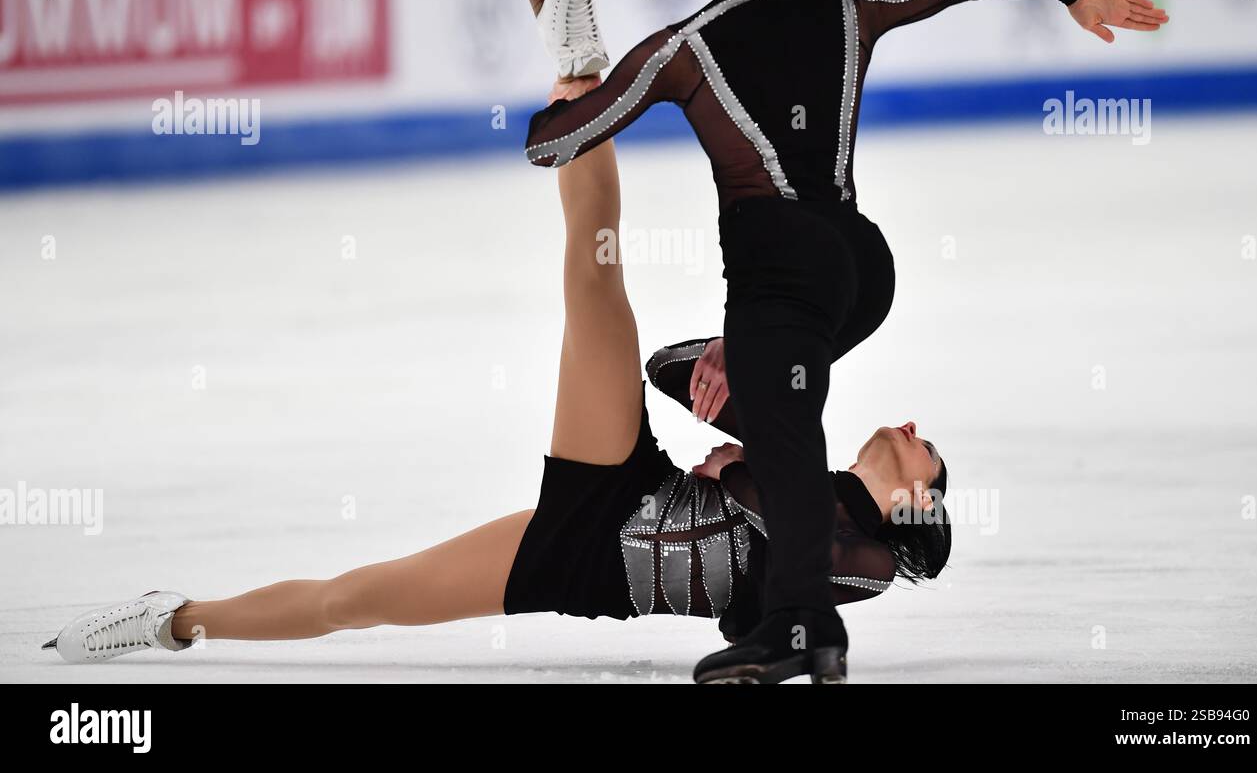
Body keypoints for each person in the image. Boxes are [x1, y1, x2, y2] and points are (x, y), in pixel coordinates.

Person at [522, 0, 1169, 683]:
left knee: (785, 440)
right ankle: (802, 624)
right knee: (776, 415)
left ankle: (801, 627)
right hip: (861, 273)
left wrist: (572, 69)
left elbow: (552, 145)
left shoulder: (685, 47)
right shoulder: (851, 3)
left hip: (780, 270)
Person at [41, 124, 944, 685]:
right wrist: (729, 361)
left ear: (915, 504)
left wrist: (746, 464)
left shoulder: (862, 561)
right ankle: (574, 56)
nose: (910, 430)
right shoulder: (794, 440)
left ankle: (173, 619)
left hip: (586, 565)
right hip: (629, 479)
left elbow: (775, 602)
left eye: (925, 454)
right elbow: (670, 368)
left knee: (356, 599)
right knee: (596, 278)